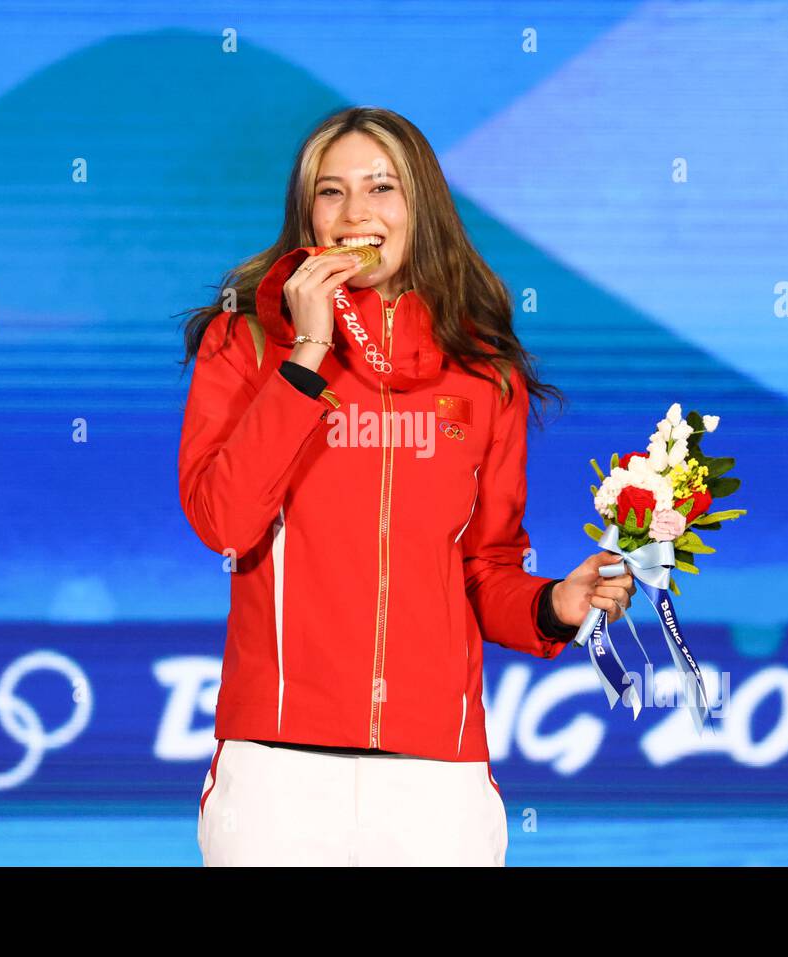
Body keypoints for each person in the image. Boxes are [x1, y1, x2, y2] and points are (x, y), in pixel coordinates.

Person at [177, 106, 636, 866]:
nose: (356, 212)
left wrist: (558, 604)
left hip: (437, 781)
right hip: (278, 773)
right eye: (331, 192)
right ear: (307, 217)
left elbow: (486, 569)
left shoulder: (485, 372)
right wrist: (310, 351)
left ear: (421, 205)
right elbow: (226, 521)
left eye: (381, 187)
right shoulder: (246, 343)